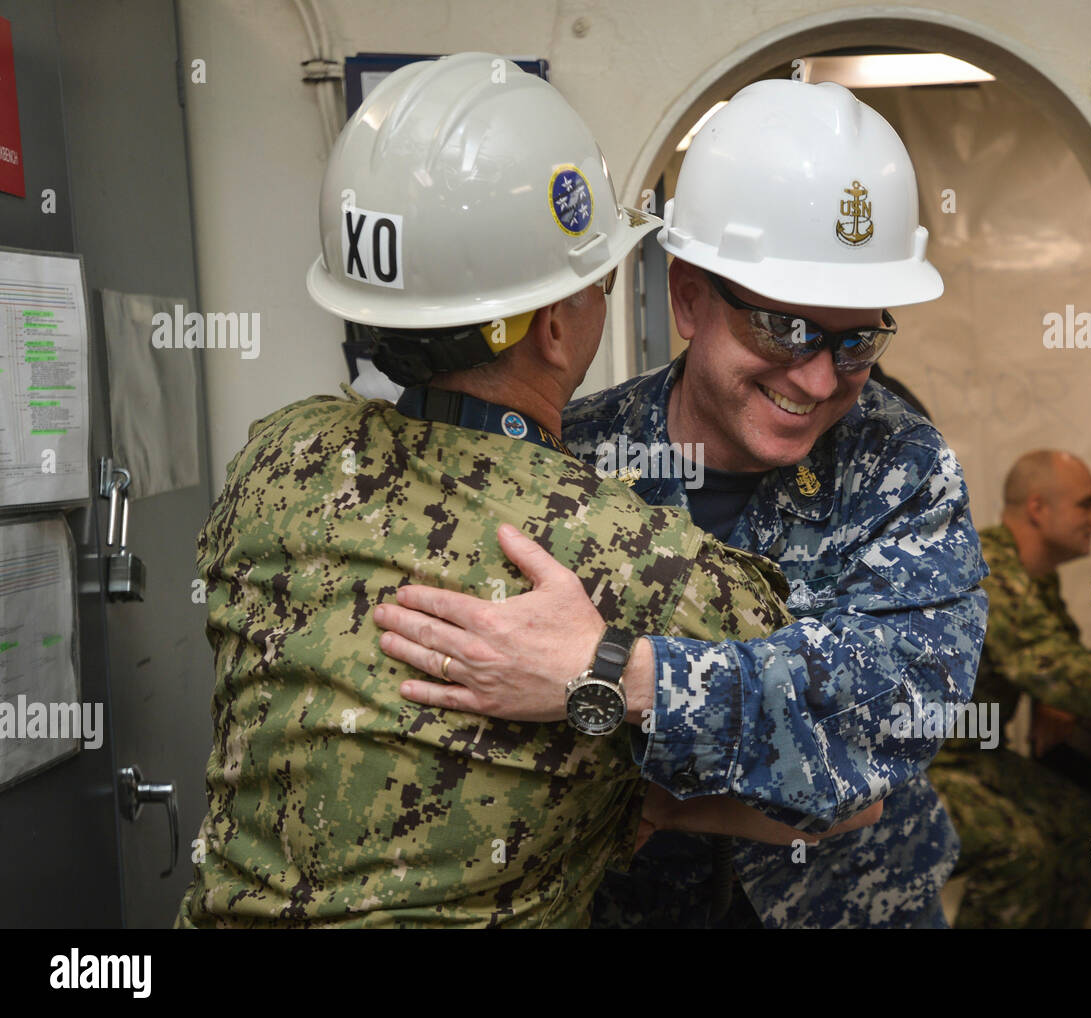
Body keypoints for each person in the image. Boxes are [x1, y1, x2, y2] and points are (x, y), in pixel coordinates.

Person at [176, 54, 877, 930]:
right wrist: (634, 767)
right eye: (600, 282)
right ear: (555, 326)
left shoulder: (276, 466)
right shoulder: (630, 560)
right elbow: (849, 788)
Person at [374, 79, 989, 928]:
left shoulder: (903, 464)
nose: (818, 380)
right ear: (691, 297)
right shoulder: (573, 457)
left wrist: (617, 677)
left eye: (856, 341)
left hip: (858, 906)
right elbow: (490, 709)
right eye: (785, 327)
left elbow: (889, 721)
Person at [928, 449, 1091, 928]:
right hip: (922, 764)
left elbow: (1060, 662)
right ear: (1037, 509)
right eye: (1086, 505)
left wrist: (1059, 688)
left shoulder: (1035, 578)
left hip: (975, 755)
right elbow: (1071, 679)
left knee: (1081, 823)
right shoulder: (994, 572)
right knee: (1021, 852)